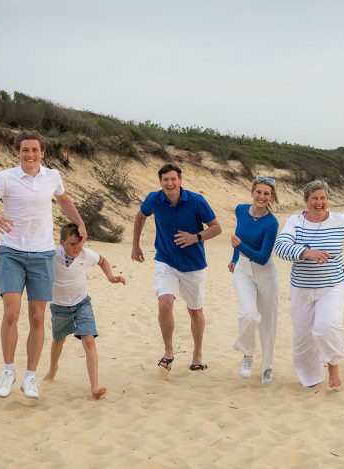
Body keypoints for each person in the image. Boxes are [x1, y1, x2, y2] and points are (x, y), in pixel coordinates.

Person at [0, 130, 87, 400]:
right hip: (12, 252)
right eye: (25, 150)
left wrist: (79, 222)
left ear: (42, 153)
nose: (30, 155)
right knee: (11, 314)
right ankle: (8, 371)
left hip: (42, 254)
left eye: (35, 150)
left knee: (37, 317)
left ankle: (30, 377)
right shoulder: (5, 178)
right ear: (17, 152)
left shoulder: (52, 177)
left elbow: (63, 199)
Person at [131, 164, 222, 372]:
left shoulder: (197, 201)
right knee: (164, 304)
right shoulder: (154, 199)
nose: (170, 183)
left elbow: (217, 228)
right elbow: (140, 216)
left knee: (195, 311)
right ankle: (168, 352)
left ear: (180, 181)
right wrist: (135, 245)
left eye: (173, 179)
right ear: (160, 182)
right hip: (166, 261)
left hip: (193, 264)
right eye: (165, 180)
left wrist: (195, 237)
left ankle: (197, 355)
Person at [274, 180, 344, 388]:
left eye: (322, 198)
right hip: (301, 288)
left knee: (326, 327)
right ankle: (311, 379)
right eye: (314, 198)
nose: (319, 202)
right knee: (303, 337)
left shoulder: (340, 220)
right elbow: (280, 247)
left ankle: (333, 366)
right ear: (306, 201)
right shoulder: (295, 221)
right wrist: (306, 252)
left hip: (332, 286)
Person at [43, 223, 126, 399]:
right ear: (62, 242)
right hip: (59, 307)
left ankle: (94, 386)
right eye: (72, 244)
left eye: (79, 244)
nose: (77, 248)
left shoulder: (86, 254)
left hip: (82, 304)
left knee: (89, 342)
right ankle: (53, 368)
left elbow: (102, 261)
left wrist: (110, 277)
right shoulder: (51, 254)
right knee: (58, 341)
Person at [228, 176, 280, 384]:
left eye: (266, 194)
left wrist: (239, 246)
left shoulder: (271, 223)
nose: (261, 196)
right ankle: (248, 355)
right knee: (248, 313)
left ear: (271, 198)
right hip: (242, 269)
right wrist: (234, 257)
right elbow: (237, 238)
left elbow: (262, 256)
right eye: (258, 192)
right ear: (252, 192)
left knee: (268, 322)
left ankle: (267, 367)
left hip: (265, 272)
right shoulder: (240, 210)